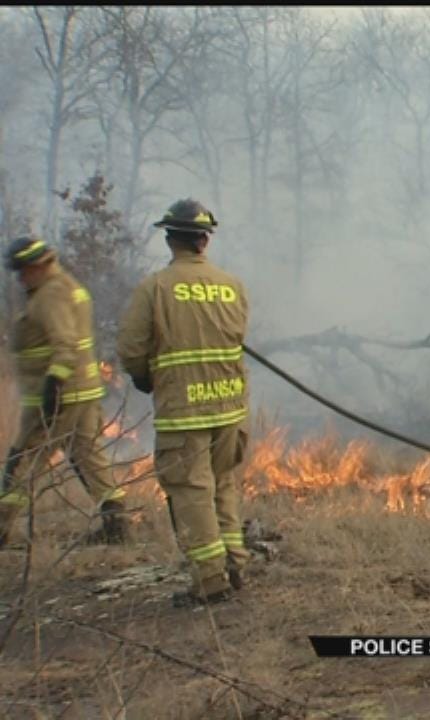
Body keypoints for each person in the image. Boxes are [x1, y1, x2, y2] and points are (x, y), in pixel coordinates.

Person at [118, 199, 250, 607]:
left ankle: (210, 582)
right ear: (204, 240)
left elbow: (131, 347)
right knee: (222, 483)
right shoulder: (231, 284)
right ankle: (234, 564)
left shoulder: (155, 287)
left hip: (184, 409)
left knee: (191, 489)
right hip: (230, 405)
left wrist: (143, 376)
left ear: (170, 238)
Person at [0, 236, 127, 548]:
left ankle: (1, 527)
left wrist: (53, 384)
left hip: (57, 396)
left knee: (23, 459)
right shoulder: (69, 286)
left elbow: (65, 343)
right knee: (88, 456)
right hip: (83, 391)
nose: (21, 278)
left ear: (39, 266)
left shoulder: (50, 295)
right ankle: (116, 521)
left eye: (24, 271)